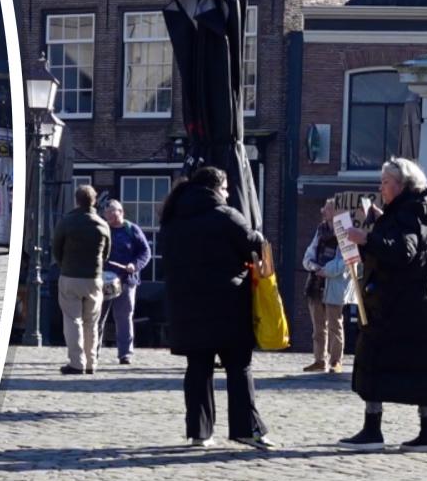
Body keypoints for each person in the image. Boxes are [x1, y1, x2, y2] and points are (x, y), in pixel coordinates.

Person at [159, 167, 277, 450]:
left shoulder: (173, 217)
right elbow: (255, 245)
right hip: (228, 304)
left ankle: (199, 432)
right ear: (216, 187)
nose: (227, 193)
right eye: (225, 188)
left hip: (187, 305)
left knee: (198, 368)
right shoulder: (226, 216)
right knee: (239, 366)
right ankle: (246, 429)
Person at [340, 157, 427, 452]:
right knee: (424, 367)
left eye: (386, 182)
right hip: (421, 306)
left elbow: (403, 251)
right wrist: (379, 221)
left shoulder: (406, 213)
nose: (381, 188)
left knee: (373, 358)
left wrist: (365, 238)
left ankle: (372, 430)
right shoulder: (416, 209)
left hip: (399, 308)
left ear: (402, 186)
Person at [51, 185, 111, 374]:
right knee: (91, 322)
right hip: (94, 278)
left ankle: (77, 362)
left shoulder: (67, 222)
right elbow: (106, 254)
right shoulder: (103, 225)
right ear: (94, 201)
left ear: (76, 201)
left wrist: (63, 264)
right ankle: (91, 362)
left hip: (70, 275)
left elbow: (56, 248)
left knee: (72, 320)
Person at [96, 199, 152, 365]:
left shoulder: (132, 229)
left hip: (126, 280)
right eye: (107, 214)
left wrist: (134, 265)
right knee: (98, 317)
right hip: (104, 279)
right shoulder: (103, 229)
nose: (110, 216)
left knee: (124, 317)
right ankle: (93, 352)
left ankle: (125, 353)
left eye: (113, 213)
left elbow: (145, 252)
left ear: (121, 212)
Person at [302, 198, 344, 372]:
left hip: (333, 285)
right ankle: (319, 359)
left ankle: (335, 361)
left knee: (335, 325)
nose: (323, 211)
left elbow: (345, 262)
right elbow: (309, 253)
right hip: (316, 284)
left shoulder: (345, 232)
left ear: (335, 211)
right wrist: (313, 266)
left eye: (327, 208)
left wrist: (326, 271)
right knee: (318, 327)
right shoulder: (320, 231)